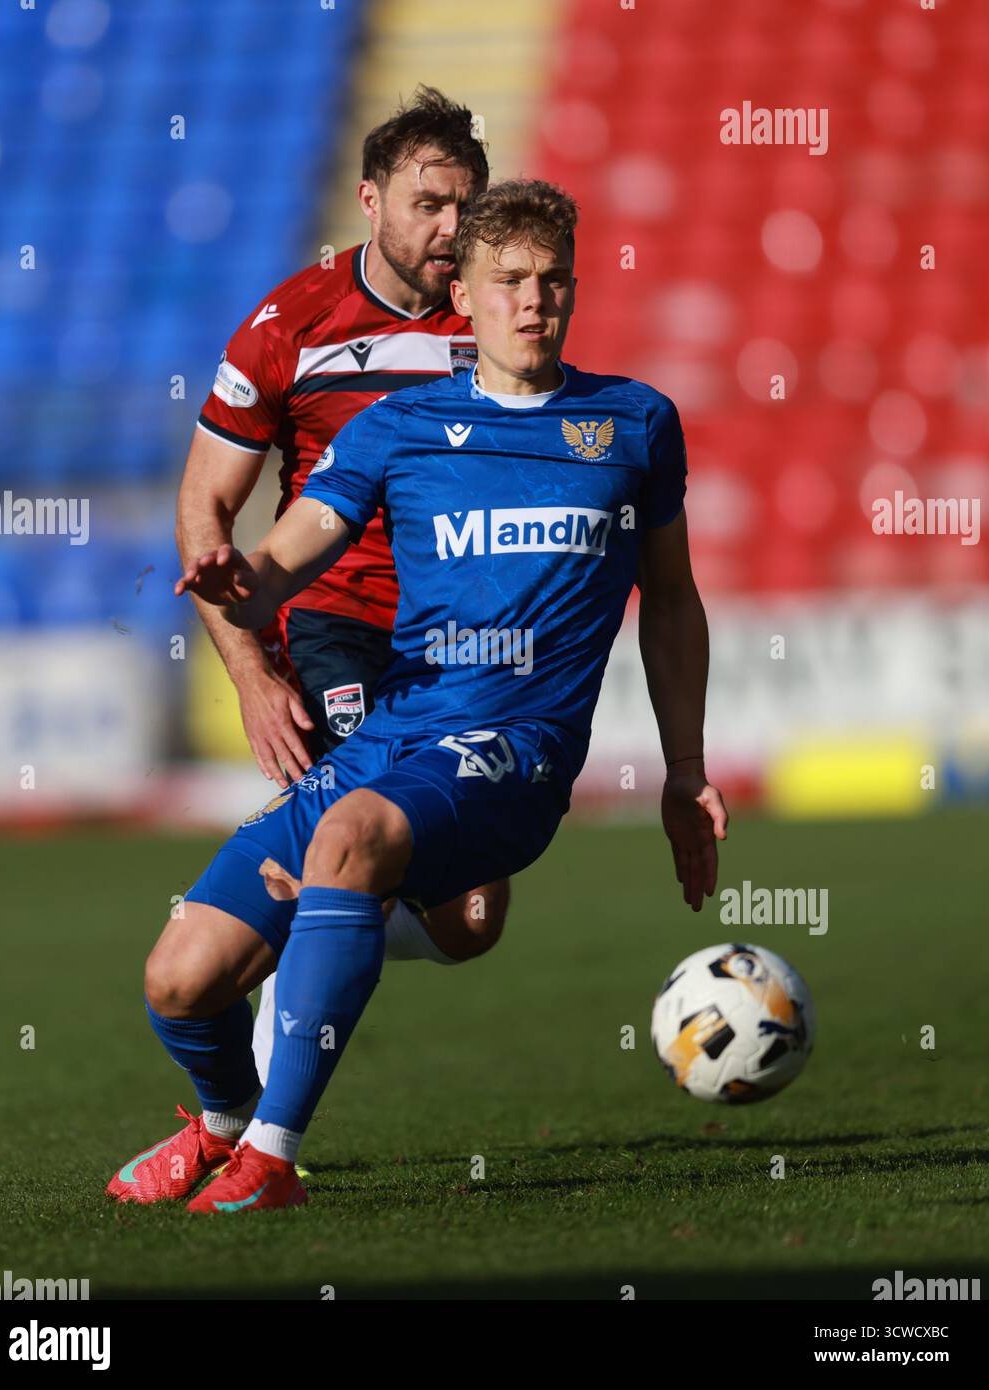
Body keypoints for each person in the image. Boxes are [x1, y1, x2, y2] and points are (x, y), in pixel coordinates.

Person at [108, 178, 727, 1213]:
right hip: (395, 734)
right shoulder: (399, 428)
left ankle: (272, 1157)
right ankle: (221, 1120)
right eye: (509, 282)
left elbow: (670, 603)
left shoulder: (632, 424)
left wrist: (686, 769)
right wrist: (235, 583)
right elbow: (279, 563)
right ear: (468, 299)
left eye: (552, 281)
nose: (533, 302)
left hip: (514, 756)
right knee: (179, 978)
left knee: (353, 839)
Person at [176, 87, 509, 1089]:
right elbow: (203, 514)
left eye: (465, 206)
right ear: (369, 200)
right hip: (333, 624)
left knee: (473, 920)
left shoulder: (494, 318)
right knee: (351, 825)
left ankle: (272, 908)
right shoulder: (291, 323)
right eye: (428, 203)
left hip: (458, 642)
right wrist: (247, 672)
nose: (451, 227)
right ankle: (259, 1127)